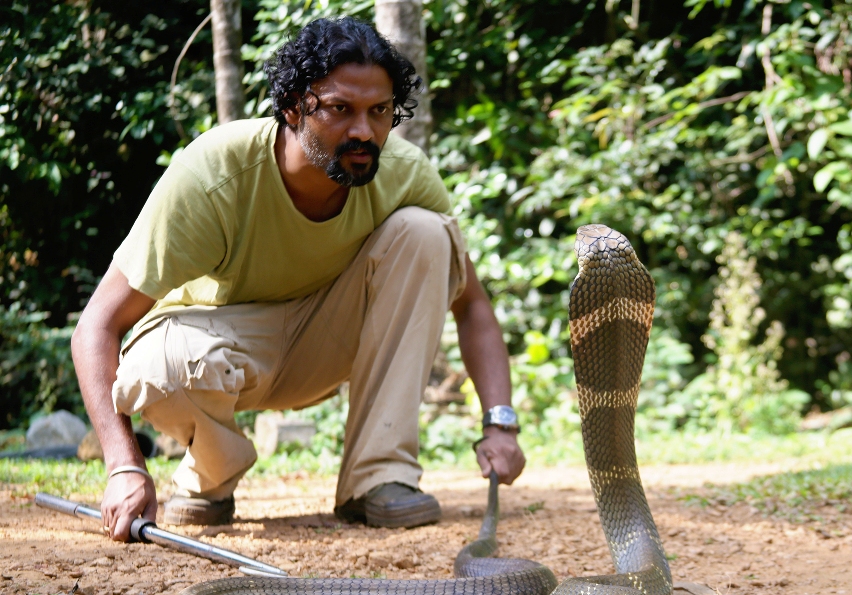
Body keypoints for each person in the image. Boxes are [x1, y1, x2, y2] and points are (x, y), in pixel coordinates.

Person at [70, 17, 525, 543]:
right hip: (217, 348)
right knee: (157, 364)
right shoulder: (213, 172)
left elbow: (472, 306)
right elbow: (97, 326)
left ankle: (378, 477)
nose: (364, 131)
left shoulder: (403, 172)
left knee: (428, 234)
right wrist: (123, 465)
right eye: (339, 109)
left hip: (325, 340)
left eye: (379, 111)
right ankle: (209, 474)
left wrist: (500, 424)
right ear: (292, 107)